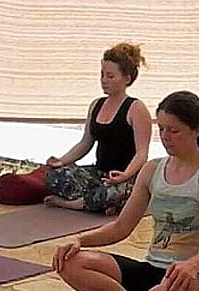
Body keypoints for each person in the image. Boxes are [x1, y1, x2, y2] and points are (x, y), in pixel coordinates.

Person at [53, 91, 199, 291]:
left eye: (174, 131)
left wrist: (191, 265)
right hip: (153, 270)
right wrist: (79, 240)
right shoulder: (152, 169)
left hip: (195, 281)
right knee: (70, 262)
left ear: (196, 130)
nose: (166, 137)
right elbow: (121, 227)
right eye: (162, 129)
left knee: (168, 289)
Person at [44, 43, 153, 213]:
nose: (104, 80)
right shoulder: (96, 104)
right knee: (55, 176)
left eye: (110, 76)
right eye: (102, 75)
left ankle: (78, 203)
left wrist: (125, 175)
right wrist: (61, 161)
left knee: (112, 193)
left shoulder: (136, 109)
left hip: (126, 177)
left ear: (127, 78)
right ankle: (96, 202)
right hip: (99, 173)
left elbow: (142, 153)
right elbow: (85, 143)